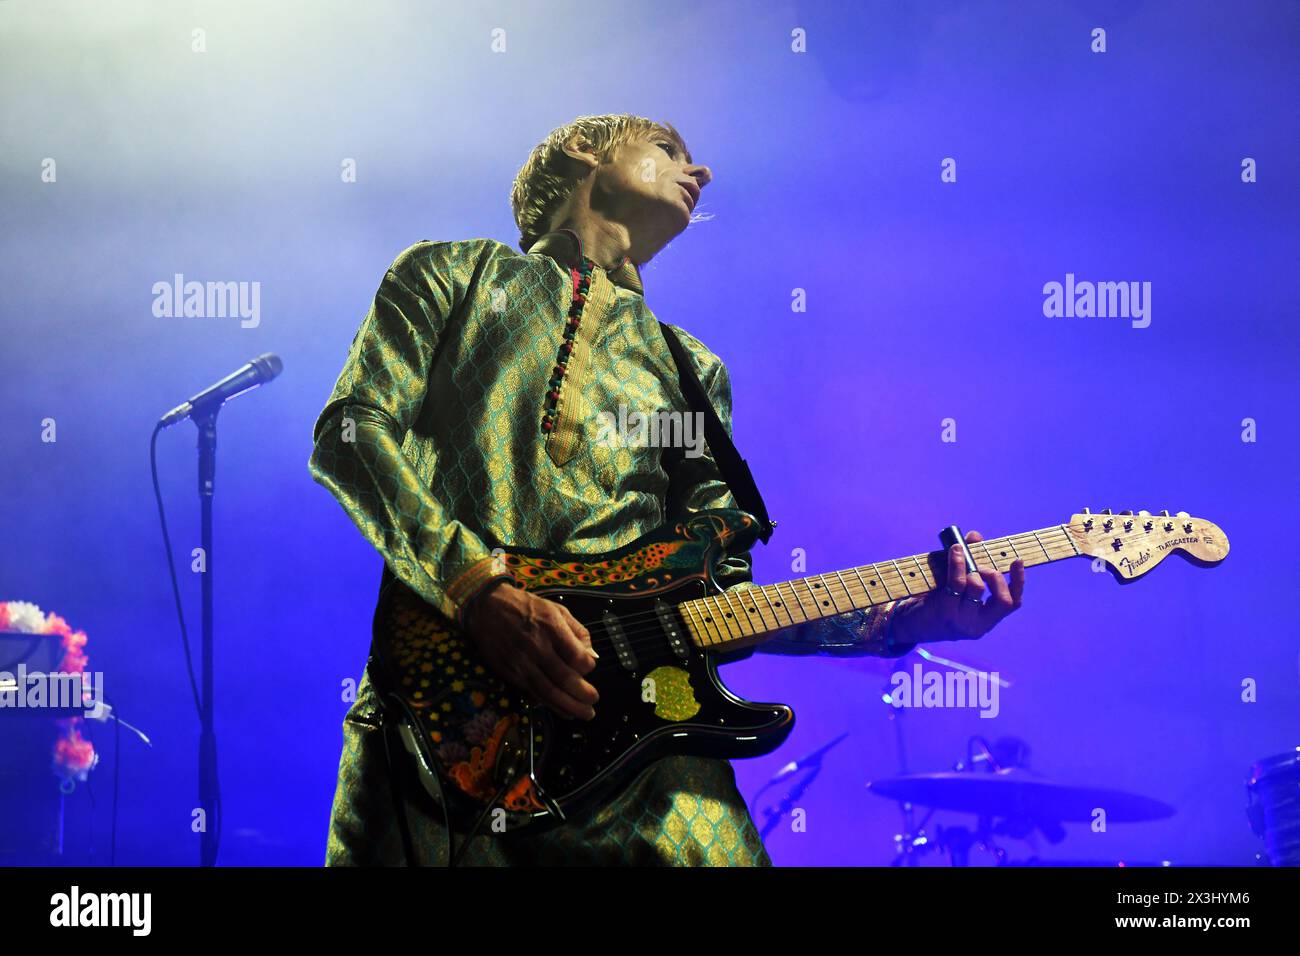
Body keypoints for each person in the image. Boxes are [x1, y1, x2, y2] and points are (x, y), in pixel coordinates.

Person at [308, 113, 1025, 866]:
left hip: (645, 752)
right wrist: (477, 587)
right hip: (443, 720)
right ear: (586, 151)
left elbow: (722, 602)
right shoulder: (452, 272)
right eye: (671, 150)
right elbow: (352, 433)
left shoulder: (690, 369)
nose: (702, 171)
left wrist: (899, 623)